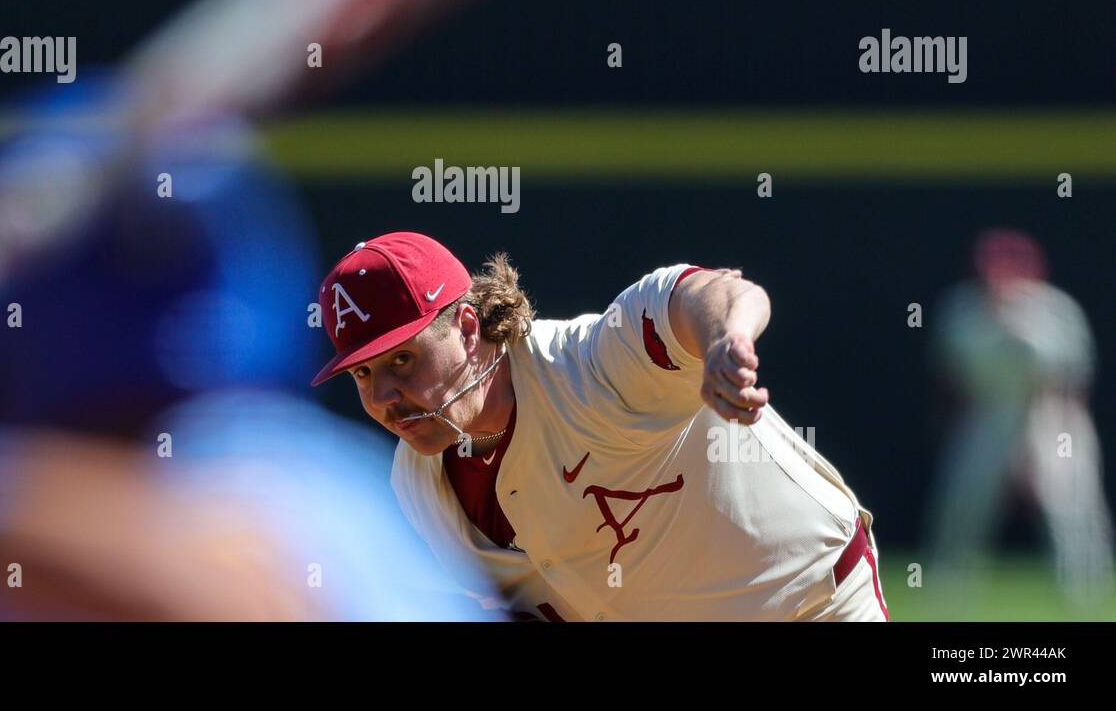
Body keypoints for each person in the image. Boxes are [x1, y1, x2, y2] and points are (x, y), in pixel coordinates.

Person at [311, 231, 887, 621]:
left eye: (402, 359)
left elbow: (718, 293)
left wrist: (726, 340)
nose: (383, 396)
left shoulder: (592, 366)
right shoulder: (416, 485)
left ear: (466, 326)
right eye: (361, 373)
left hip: (810, 604)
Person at [925, 228, 1111, 605]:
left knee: (1072, 507)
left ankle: (1086, 591)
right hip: (990, 415)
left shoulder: (1056, 310)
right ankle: (950, 587)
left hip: (1053, 416)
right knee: (964, 504)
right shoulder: (962, 309)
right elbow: (949, 377)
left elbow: (1074, 377)